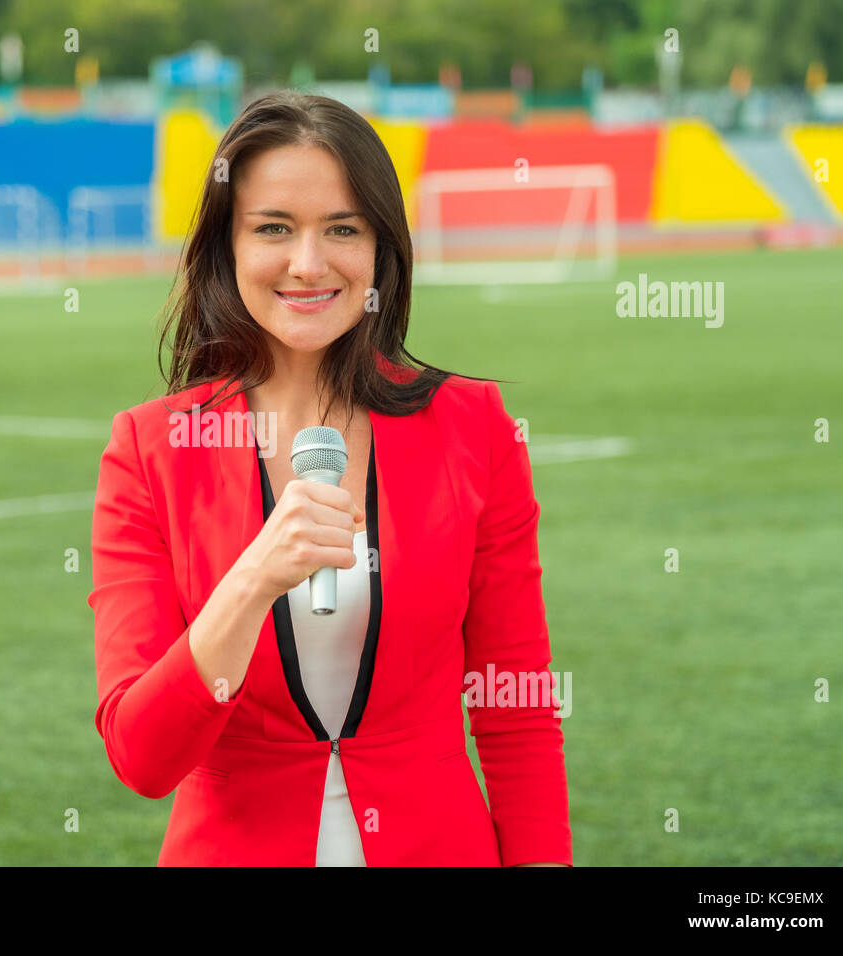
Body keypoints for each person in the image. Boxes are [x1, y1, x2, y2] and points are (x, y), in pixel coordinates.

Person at [89, 90, 571, 866]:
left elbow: (515, 713)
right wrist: (250, 584)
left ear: (382, 250)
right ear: (228, 247)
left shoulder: (475, 427)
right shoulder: (149, 450)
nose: (308, 264)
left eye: (342, 229)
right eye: (274, 228)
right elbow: (143, 759)